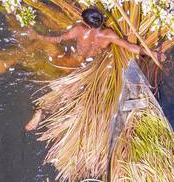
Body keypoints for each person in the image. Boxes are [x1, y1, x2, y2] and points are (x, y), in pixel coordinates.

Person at [24, 8, 158, 129]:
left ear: (86, 23)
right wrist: (153, 54)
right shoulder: (108, 35)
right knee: (73, 93)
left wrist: (37, 36)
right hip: (91, 66)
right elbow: (129, 47)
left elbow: (58, 39)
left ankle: (44, 109)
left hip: (74, 62)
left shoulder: (79, 30)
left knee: (63, 88)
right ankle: (52, 111)